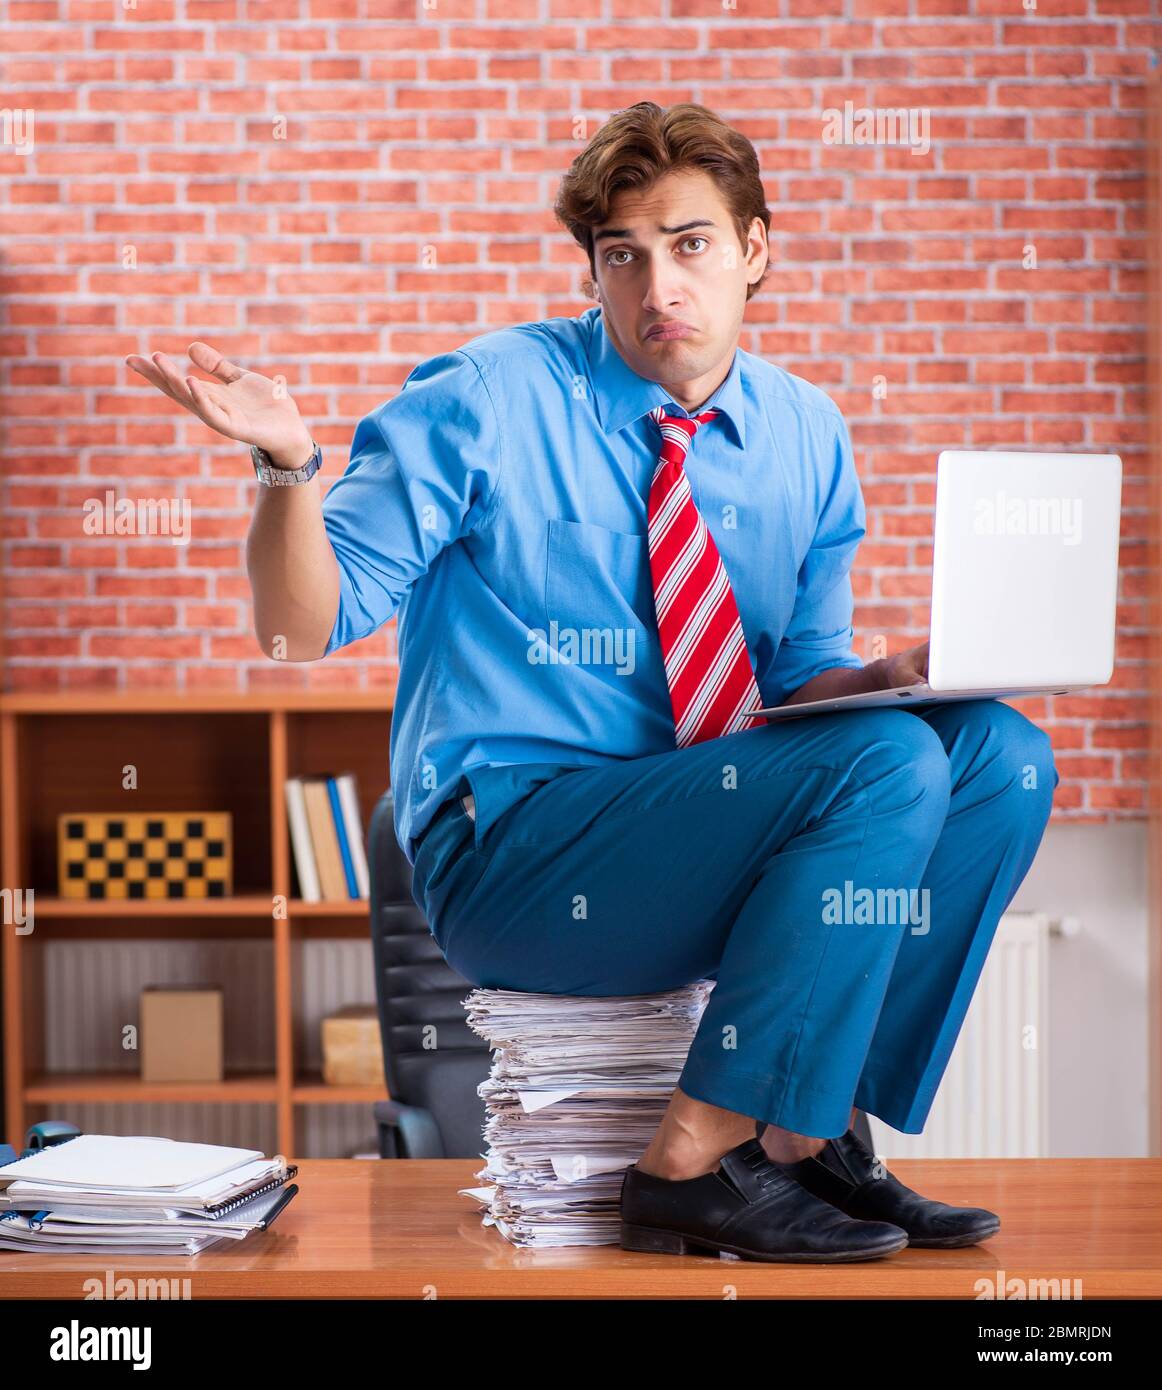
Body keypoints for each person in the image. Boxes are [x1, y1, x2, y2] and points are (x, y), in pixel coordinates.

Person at [126, 101, 1057, 1265]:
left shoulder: (806, 433)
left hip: (702, 829)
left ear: (756, 250)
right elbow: (300, 626)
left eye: (691, 243)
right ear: (594, 268)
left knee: (999, 754)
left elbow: (795, 682)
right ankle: (684, 1166)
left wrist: (885, 676)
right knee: (887, 761)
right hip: (517, 849)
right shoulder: (486, 396)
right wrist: (285, 469)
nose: (657, 282)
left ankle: (810, 1136)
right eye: (623, 253)